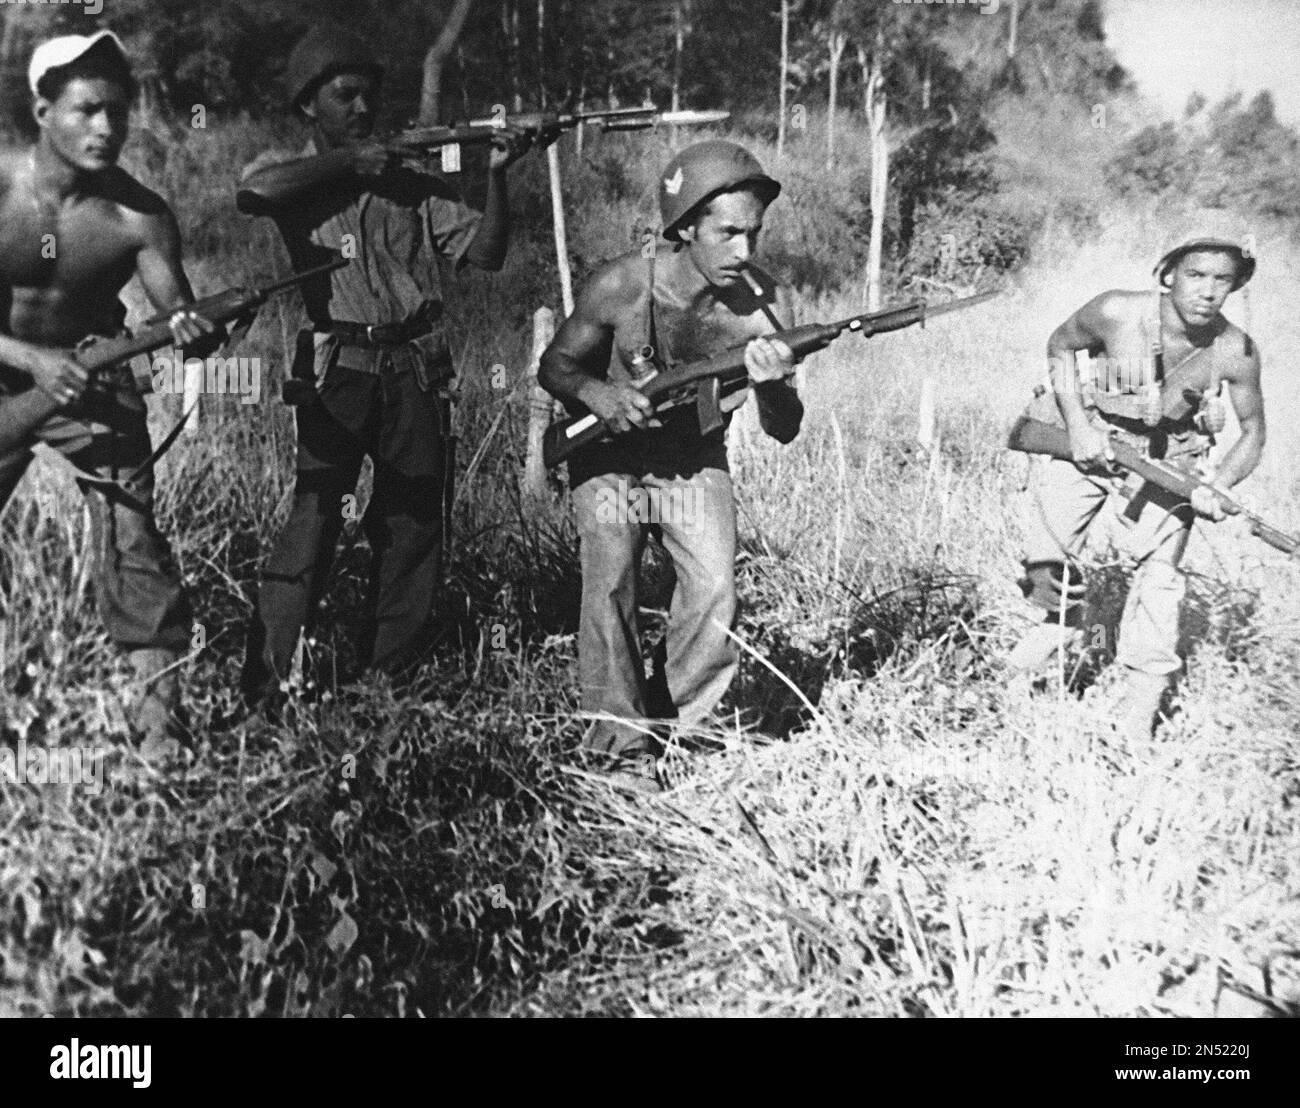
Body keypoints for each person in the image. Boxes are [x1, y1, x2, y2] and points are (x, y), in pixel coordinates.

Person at [237, 22, 532, 708]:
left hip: (413, 368)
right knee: (313, 521)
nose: (363, 109)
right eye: (345, 96)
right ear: (310, 105)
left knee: (411, 524)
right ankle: (269, 687)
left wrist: (494, 174)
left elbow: (483, 255)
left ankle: (385, 687)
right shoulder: (291, 171)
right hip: (337, 366)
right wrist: (350, 165)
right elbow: (253, 194)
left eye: (369, 96)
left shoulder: (411, 179)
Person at [538, 140, 803, 791]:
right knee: (611, 574)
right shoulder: (624, 284)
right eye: (728, 234)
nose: (744, 251)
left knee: (716, 588)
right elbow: (556, 367)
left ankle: (675, 723)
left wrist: (770, 384)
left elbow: (786, 426)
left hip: (692, 456)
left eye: (755, 233)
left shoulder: (765, 308)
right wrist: (601, 396)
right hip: (609, 453)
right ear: (685, 228)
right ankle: (616, 746)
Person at [0, 31, 217, 757]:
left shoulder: (138, 214)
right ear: (41, 109)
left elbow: (175, 310)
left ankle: (160, 731)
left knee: (132, 539)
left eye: (118, 113)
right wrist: (29, 356)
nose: (106, 129)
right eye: (88, 109)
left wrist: (195, 330)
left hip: (97, 376)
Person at [1008, 221, 1265, 738]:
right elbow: (1060, 347)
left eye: (1223, 279)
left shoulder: (1234, 349)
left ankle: (1136, 721)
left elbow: (1253, 433)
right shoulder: (1116, 311)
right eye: (1196, 274)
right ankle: (1043, 653)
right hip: (1091, 442)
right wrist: (1078, 425)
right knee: (1047, 563)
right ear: (1168, 274)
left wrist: (1221, 485)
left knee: (1160, 583)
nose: (1208, 290)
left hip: (1166, 461)